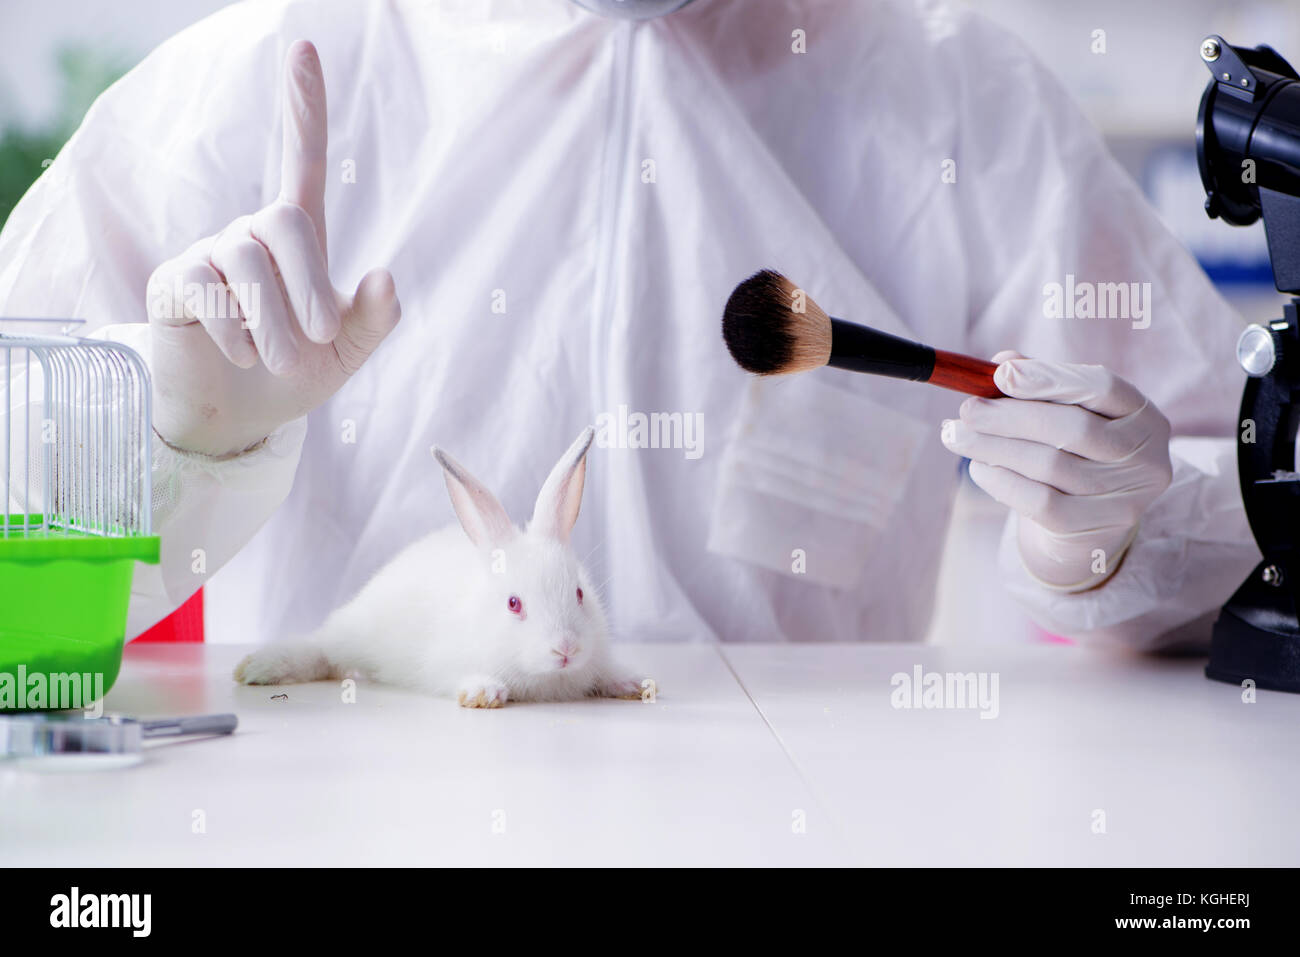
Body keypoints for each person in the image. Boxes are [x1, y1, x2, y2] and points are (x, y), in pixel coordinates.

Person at [0, 0, 1259, 649]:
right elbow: (20, 610)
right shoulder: (256, 82)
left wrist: (1096, 545)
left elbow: (1241, 492)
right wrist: (170, 441)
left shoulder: (951, 94)